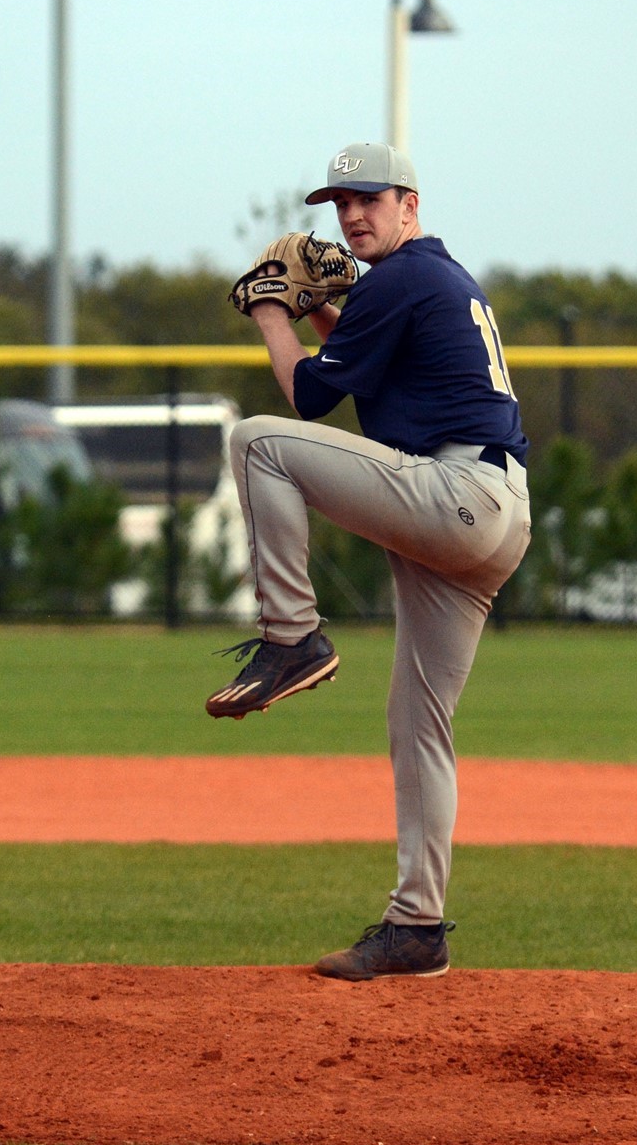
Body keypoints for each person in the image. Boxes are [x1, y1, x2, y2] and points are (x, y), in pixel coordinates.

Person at [208, 142, 532, 980]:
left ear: (410, 205)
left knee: (255, 442)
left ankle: (294, 636)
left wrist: (271, 314)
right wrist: (323, 316)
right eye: (340, 202)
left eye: (370, 199)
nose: (352, 215)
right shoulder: (429, 282)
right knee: (418, 720)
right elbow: (377, 414)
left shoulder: (404, 276)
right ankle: (417, 926)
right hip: (490, 508)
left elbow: (311, 396)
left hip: (459, 493)